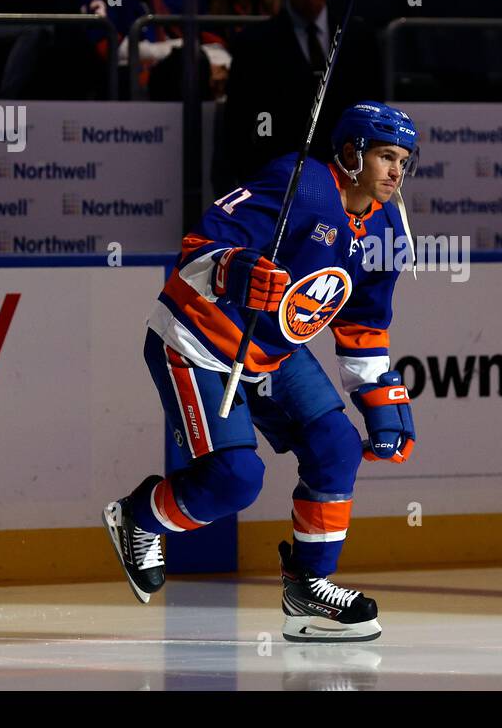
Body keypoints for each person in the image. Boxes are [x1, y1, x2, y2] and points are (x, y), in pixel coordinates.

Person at [103, 101, 420, 643]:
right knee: (236, 479)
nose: (396, 171)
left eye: (404, 160)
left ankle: (308, 585)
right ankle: (140, 517)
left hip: (274, 354)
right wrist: (232, 268)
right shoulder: (296, 182)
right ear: (350, 153)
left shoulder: (390, 223)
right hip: (198, 341)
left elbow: (364, 321)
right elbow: (199, 247)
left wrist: (381, 399)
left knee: (337, 448)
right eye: (386, 156)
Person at [218, 0, 383, 186]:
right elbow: (238, 122)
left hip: (344, 173)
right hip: (277, 174)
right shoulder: (254, 44)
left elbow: (372, 107)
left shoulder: (358, 38)